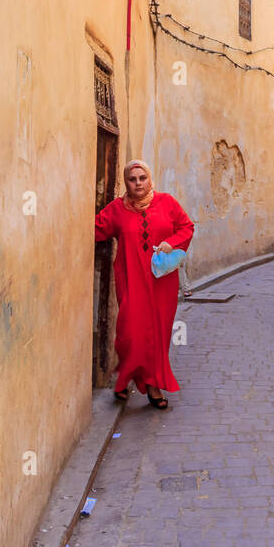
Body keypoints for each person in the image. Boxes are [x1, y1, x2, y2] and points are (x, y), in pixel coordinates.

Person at [94, 160, 194, 408]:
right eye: (132, 179)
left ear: (150, 180)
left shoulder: (167, 203)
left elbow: (187, 227)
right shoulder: (117, 209)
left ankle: (153, 385)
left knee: (158, 334)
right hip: (131, 281)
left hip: (162, 283)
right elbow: (96, 229)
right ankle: (126, 378)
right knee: (130, 333)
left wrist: (172, 241)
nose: (138, 183)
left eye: (142, 178)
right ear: (126, 182)